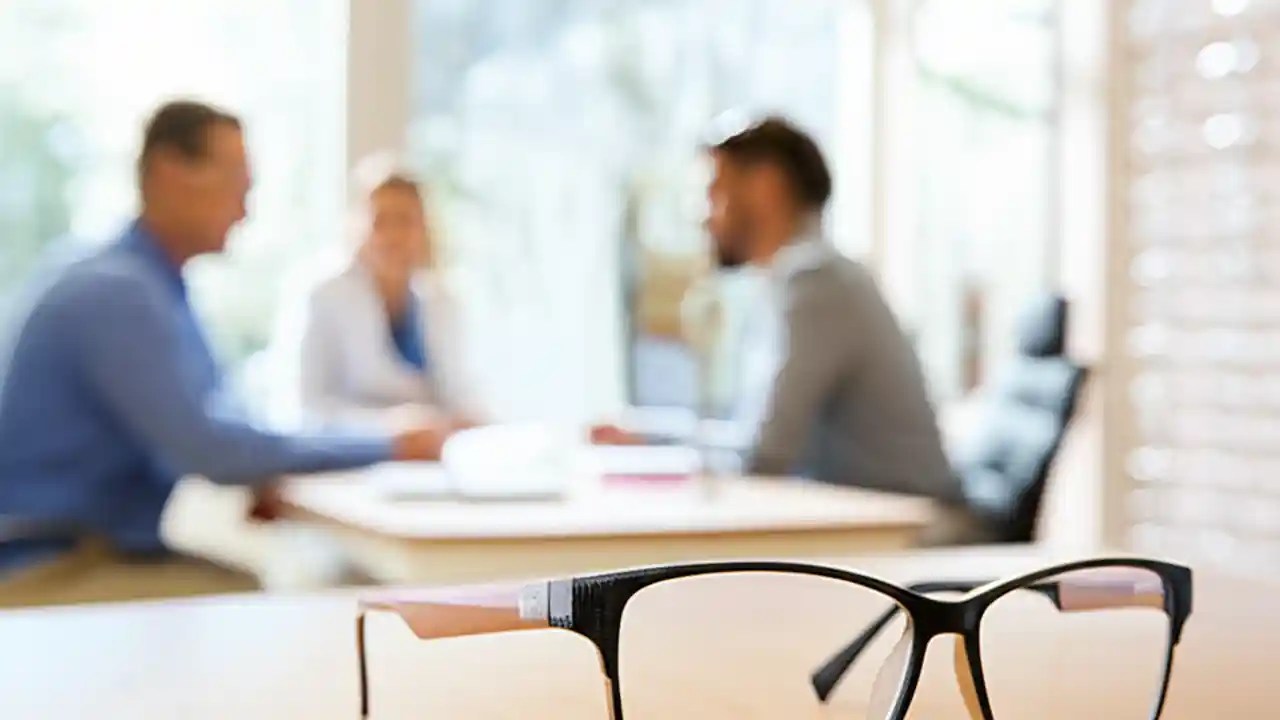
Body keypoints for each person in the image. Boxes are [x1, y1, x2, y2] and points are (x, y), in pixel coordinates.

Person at [0, 101, 451, 607]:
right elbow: (212, 449)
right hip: (43, 564)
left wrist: (259, 468)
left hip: (87, 549)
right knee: (254, 602)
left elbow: (227, 424)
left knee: (293, 588)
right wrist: (390, 444)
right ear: (173, 172)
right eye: (238, 184)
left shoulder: (159, 291)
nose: (245, 209)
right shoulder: (116, 292)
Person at [599, 117, 973, 529]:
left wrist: (651, 444)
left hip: (911, 530)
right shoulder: (797, 284)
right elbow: (752, 438)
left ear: (766, 185)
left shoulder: (817, 287)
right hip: (868, 520)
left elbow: (764, 456)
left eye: (713, 192)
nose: (703, 216)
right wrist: (645, 434)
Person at [282, 158, 477, 431]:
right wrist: (389, 426)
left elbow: (458, 393)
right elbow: (306, 407)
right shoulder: (324, 295)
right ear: (357, 226)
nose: (394, 235)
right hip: (347, 457)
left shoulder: (441, 300)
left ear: (424, 228)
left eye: (406, 221)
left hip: (424, 458)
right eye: (380, 221)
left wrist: (468, 419)